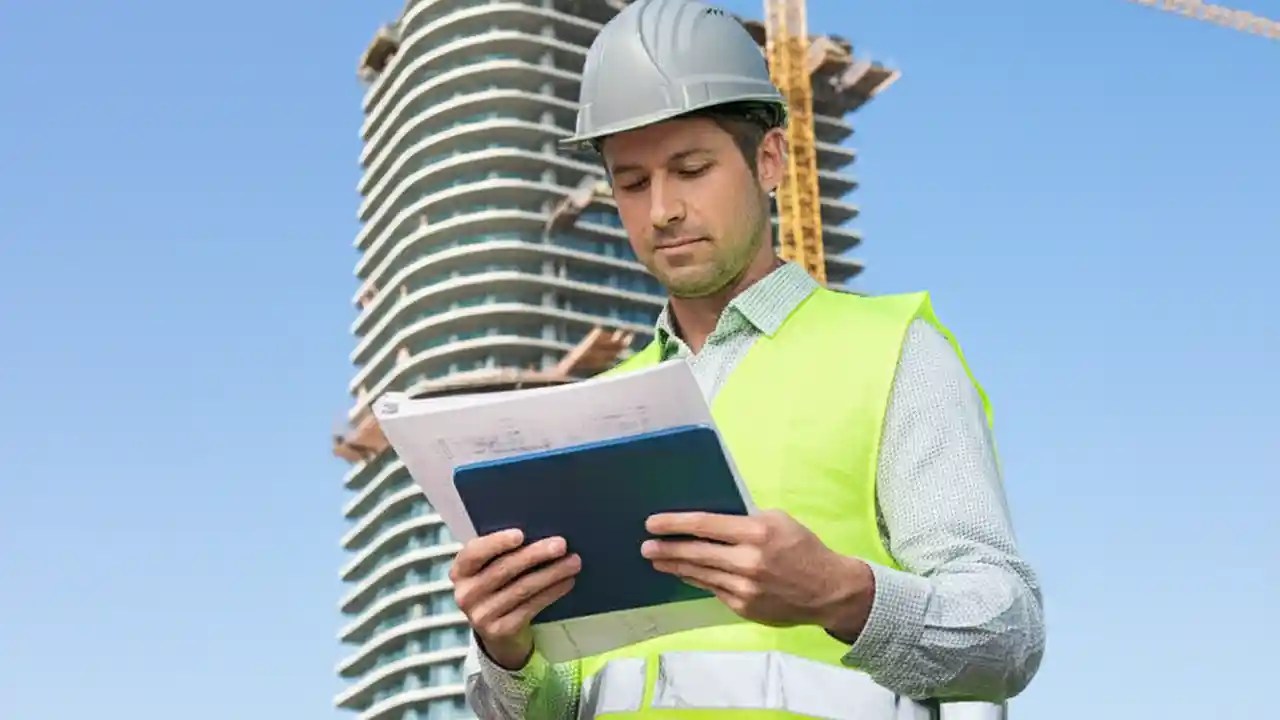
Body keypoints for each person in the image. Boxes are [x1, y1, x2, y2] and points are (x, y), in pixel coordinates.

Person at [450, 0, 1046, 716]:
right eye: (632, 183)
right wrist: (506, 650)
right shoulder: (589, 412)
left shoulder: (889, 352)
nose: (662, 210)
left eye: (691, 169)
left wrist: (840, 593)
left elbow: (1008, 634)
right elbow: (553, 704)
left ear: (769, 160)